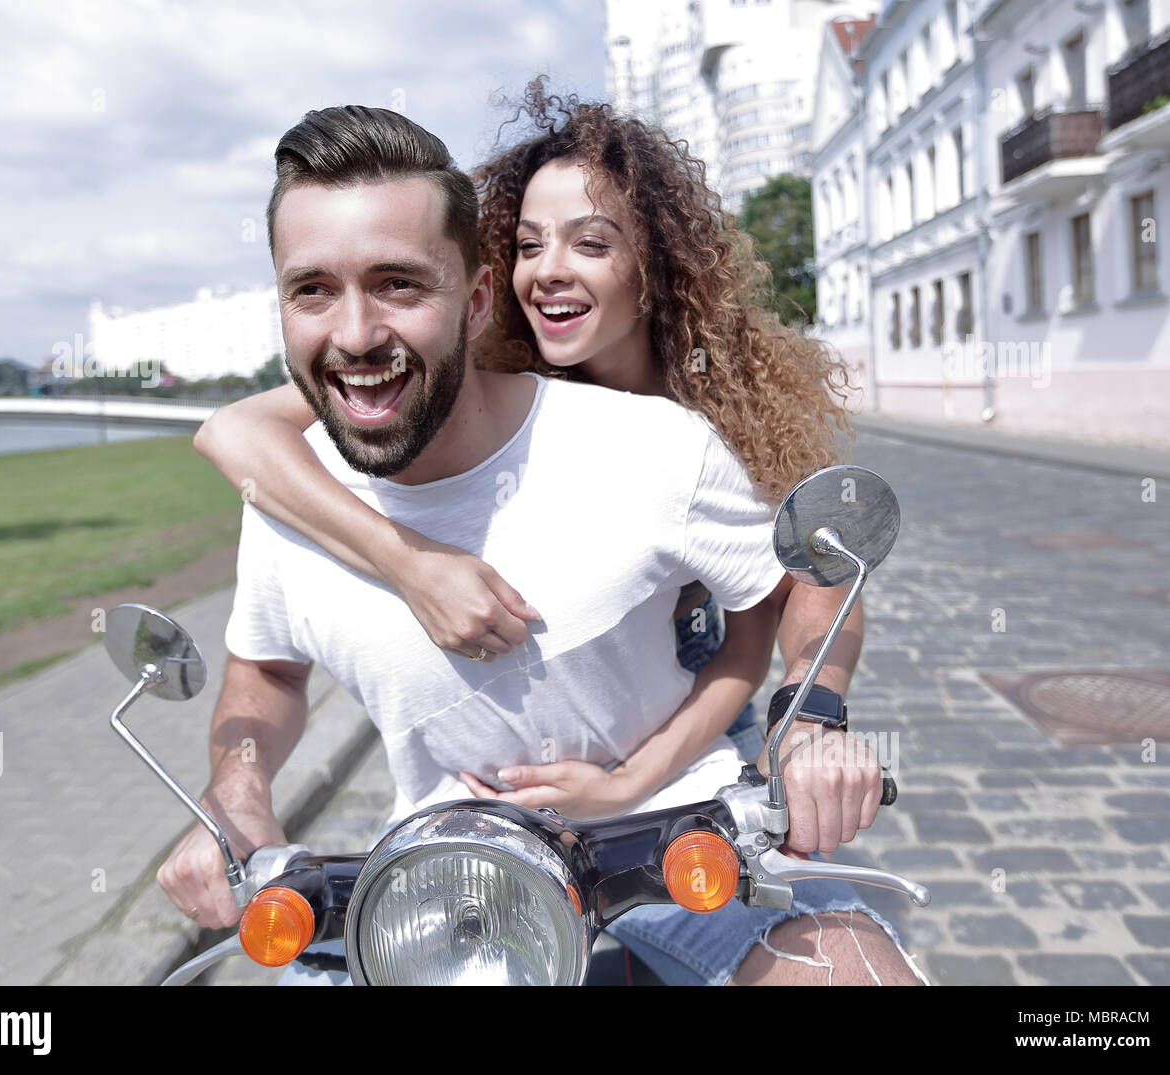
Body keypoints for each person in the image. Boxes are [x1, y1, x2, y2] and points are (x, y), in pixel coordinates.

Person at [158, 103, 926, 986]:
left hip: (672, 820)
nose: (357, 333)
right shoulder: (291, 486)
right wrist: (239, 788)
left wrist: (807, 722)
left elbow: (789, 596)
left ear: (471, 300)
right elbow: (266, 657)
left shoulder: (661, 442)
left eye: (399, 283)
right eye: (312, 289)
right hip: (450, 868)